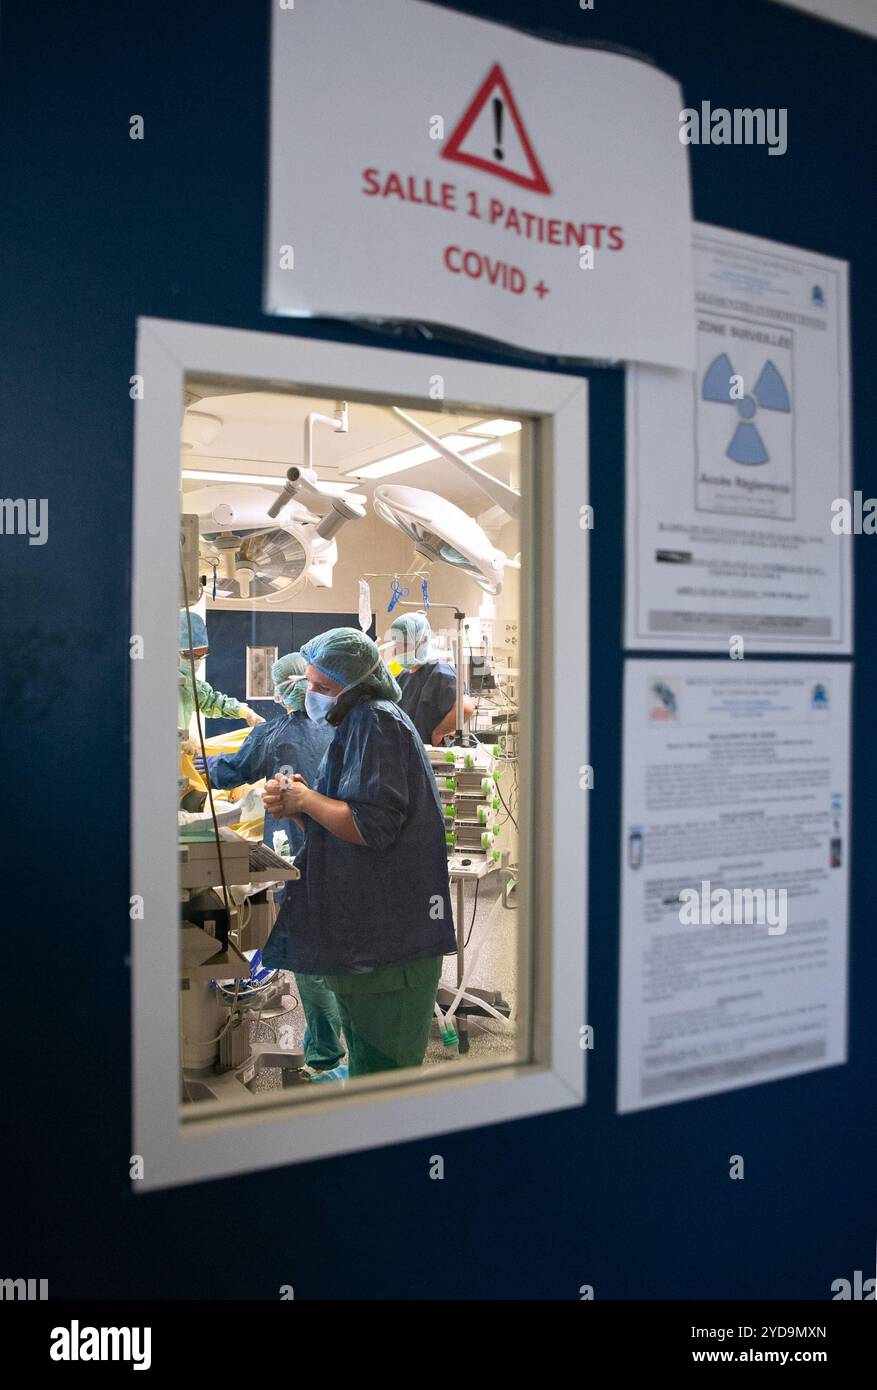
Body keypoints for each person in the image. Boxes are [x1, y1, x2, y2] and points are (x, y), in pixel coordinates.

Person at [261, 628, 456, 1078]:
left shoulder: (376, 721)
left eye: (322, 688)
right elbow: (349, 816)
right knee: (369, 1063)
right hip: (371, 937)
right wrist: (302, 804)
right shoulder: (357, 721)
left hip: (391, 944)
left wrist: (307, 801)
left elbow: (373, 825)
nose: (311, 696)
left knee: (385, 1084)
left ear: (356, 685)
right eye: (308, 684)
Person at [203, 653, 345, 1083]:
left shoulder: (275, 733)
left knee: (309, 958)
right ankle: (340, 1047)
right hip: (348, 856)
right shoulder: (347, 727)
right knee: (340, 952)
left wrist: (189, 760)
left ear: (285, 688)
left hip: (300, 857)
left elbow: (226, 773)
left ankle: (325, 1057)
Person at [178, 610, 263, 754]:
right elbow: (145, 724)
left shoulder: (188, 684)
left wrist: (244, 712)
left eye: (202, 656)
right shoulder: (152, 681)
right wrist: (179, 735)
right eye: (192, 656)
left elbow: (210, 701)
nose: (197, 662)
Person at [389, 611, 476, 746]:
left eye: (403, 644)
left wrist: (439, 732)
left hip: (433, 758)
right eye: (395, 643)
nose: (395, 651)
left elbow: (466, 707)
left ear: (421, 643)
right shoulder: (403, 677)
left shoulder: (440, 673)